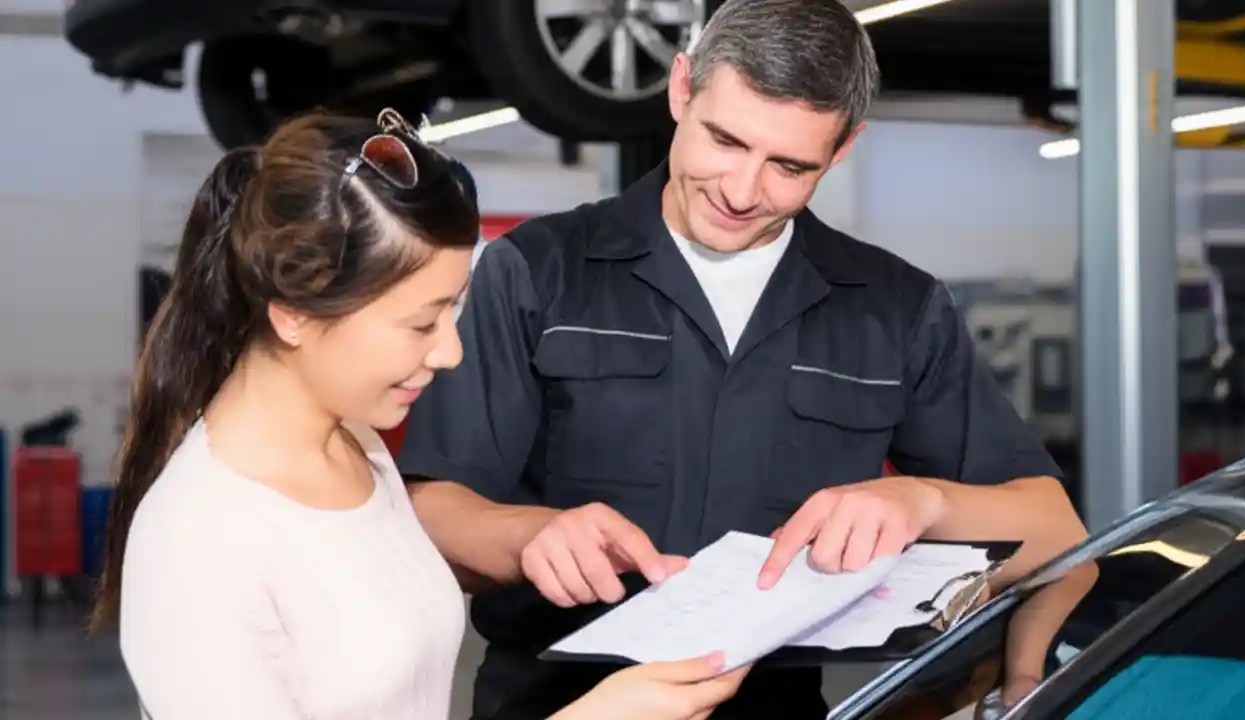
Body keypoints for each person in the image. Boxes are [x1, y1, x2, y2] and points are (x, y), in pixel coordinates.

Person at [395, 0, 1089, 717]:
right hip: (556, 704)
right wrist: (529, 535)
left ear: (843, 147)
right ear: (680, 89)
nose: (741, 191)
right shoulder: (538, 270)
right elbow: (433, 508)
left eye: (790, 166)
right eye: (724, 141)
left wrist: (921, 499)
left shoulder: (893, 307)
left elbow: (1055, 528)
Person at [87, 109, 749, 720]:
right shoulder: (199, 538)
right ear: (293, 312)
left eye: (452, 311)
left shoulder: (356, 442)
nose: (450, 350)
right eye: (420, 322)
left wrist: (536, 535)